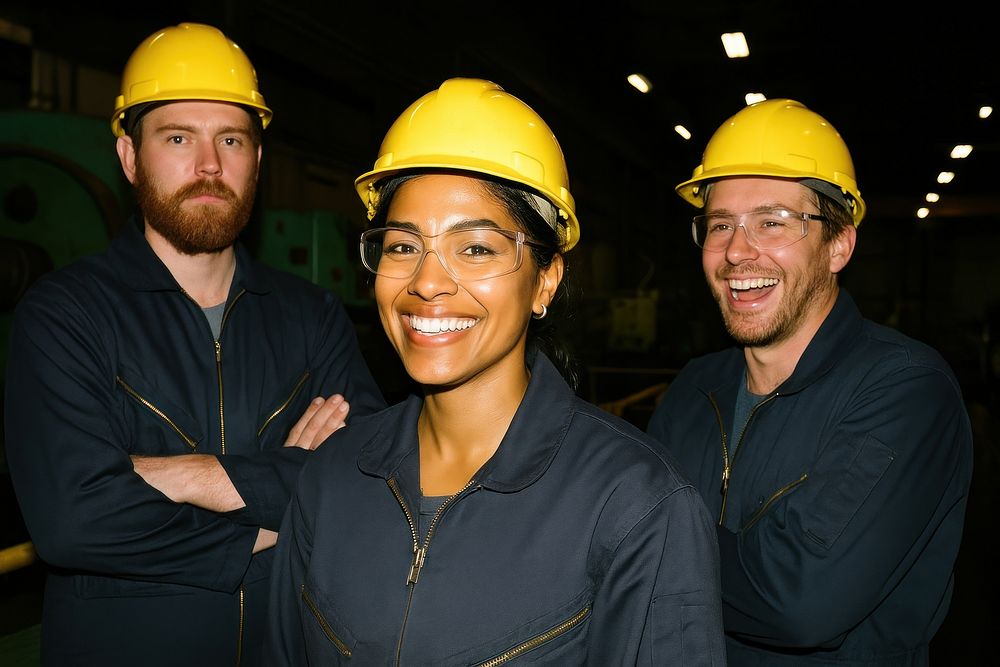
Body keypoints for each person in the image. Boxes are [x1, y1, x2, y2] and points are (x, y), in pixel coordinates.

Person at [264, 77, 726, 665]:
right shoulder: (330, 479)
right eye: (403, 246)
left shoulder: (637, 506)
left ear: (546, 281)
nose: (427, 282)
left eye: (476, 248)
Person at [2, 22, 386, 666]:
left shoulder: (310, 316)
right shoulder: (66, 315)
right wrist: (271, 520)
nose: (209, 164)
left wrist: (193, 477)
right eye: (178, 137)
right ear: (129, 157)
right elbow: (75, 521)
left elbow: (372, 472)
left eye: (231, 139)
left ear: (257, 161)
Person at [647, 98, 974, 665]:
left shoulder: (905, 391)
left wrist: (621, 537)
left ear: (838, 245)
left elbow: (796, 600)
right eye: (720, 224)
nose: (736, 251)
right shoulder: (695, 389)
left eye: (772, 222)